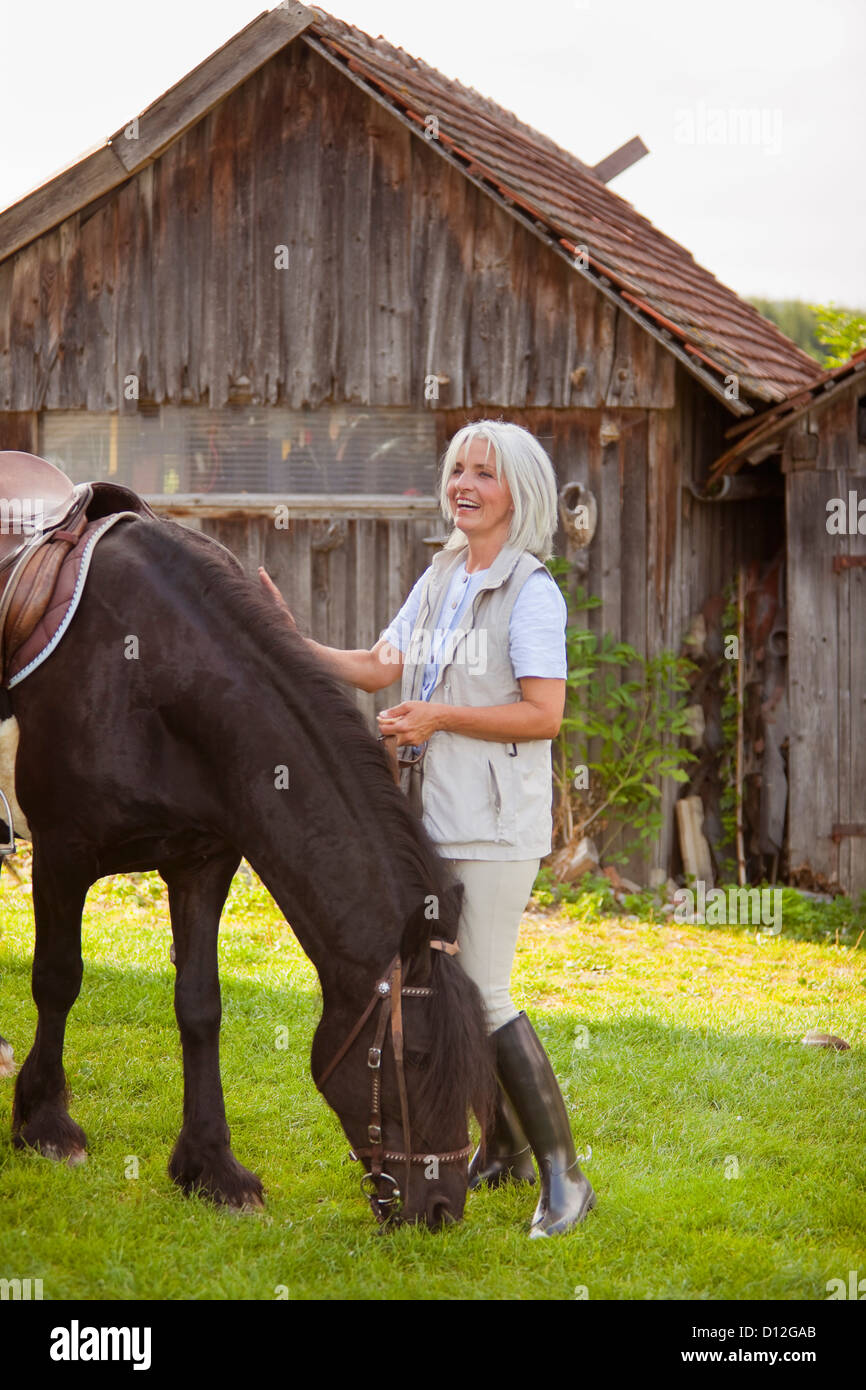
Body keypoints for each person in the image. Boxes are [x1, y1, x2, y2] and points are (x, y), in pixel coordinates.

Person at [259, 420, 595, 1237]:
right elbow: (382, 664)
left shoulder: (532, 591)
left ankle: (566, 1177)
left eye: (484, 472)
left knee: (485, 993)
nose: (465, 485)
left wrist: (439, 715)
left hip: (496, 828)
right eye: (457, 471)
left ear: (519, 490)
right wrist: (289, 643)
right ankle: (508, 1150)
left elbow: (544, 714)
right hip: (433, 820)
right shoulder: (443, 574)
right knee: (454, 991)